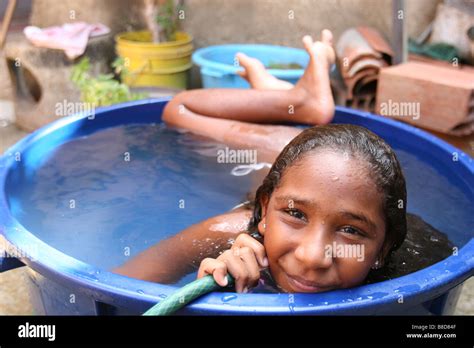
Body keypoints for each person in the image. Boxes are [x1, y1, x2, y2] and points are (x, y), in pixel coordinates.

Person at [113, 30, 407, 293]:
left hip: (318, 165)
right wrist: (210, 292)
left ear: (384, 249)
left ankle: (282, 91)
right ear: (264, 210)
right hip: (277, 153)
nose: (312, 256)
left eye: (351, 230)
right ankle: (301, 101)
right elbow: (116, 288)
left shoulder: (400, 244)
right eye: (296, 214)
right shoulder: (227, 232)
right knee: (178, 109)